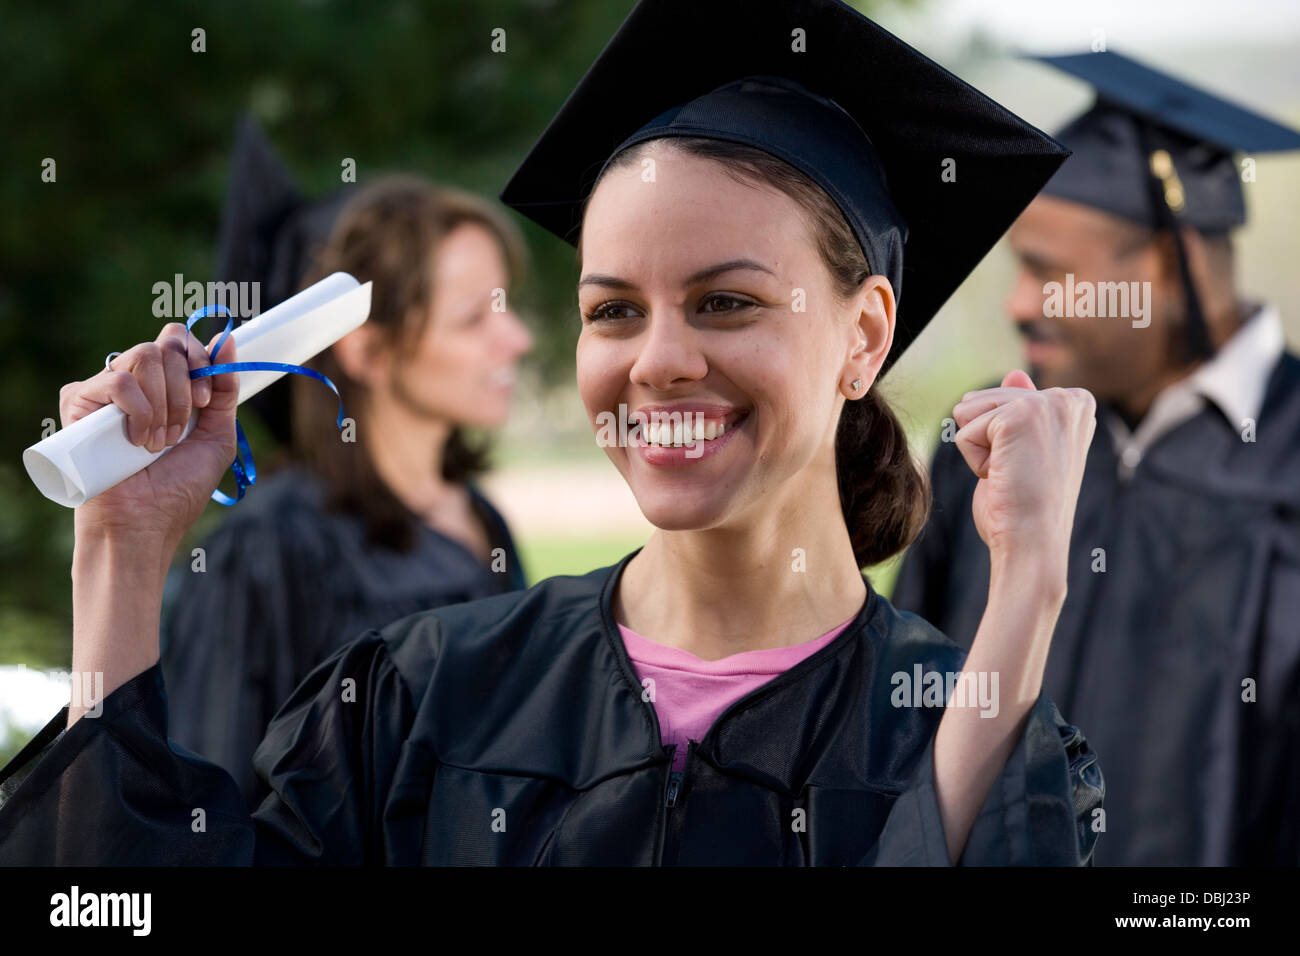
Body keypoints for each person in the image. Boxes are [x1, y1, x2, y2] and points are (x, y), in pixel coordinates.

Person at [0, 0, 1102, 866]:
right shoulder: (420, 696)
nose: (657, 357)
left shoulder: (961, 733)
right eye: (612, 308)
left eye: (726, 301)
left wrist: (1028, 594)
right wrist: (124, 545)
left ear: (863, 336)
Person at [893, 50, 1300, 865]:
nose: (1018, 304)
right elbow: (908, 718)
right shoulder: (990, 444)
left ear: (1170, 264)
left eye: (1049, 272)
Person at [158, 173, 535, 805]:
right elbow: (212, 799)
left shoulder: (480, 520)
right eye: (474, 319)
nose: (518, 338)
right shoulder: (268, 549)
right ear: (367, 351)